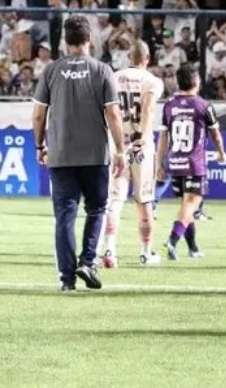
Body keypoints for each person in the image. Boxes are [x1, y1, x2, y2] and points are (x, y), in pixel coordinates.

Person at [33, 15, 128, 292]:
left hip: (61, 155)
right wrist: (121, 149)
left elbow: (39, 114)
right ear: (90, 39)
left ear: (65, 41)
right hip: (95, 154)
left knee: (65, 215)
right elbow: (113, 113)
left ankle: (67, 279)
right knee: (97, 208)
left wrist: (40, 146)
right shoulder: (102, 70)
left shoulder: (51, 71)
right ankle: (87, 261)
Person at [100, 40, 163, 267]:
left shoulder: (113, 78)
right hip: (141, 147)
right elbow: (147, 108)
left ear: (129, 57)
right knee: (144, 200)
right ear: (147, 59)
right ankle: (146, 253)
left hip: (117, 145)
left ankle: (109, 249)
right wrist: (143, 137)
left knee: (114, 199)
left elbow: (108, 111)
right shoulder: (153, 81)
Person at [156, 64, 226, 261]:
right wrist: (221, 153)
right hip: (194, 163)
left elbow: (163, 137)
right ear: (197, 82)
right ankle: (171, 240)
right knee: (191, 205)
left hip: (175, 161)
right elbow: (216, 134)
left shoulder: (169, 105)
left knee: (185, 207)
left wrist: (159, 164)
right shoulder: (203, 105)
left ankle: (193, 248)